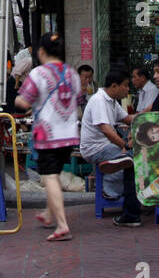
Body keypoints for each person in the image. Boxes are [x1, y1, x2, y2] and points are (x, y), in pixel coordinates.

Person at [15, 32, 81, 242]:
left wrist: (18, 100)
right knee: (53, 173)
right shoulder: (72, 73)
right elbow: (78, 99)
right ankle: (48, 213)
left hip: (48, 135)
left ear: (41, 52)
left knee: (50, 177)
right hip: (70, 135)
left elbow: (24, 103)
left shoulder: (38, 74)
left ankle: (62, 225)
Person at [79, 67, 145, 227]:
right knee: (130, 159)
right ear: (114, 86)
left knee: (134, 155)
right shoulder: (99, 100)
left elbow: (127, 119)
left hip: (106, 145)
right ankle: (111, 191)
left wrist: (147, 114)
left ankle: (124, 193)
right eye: (125, 85)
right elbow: (106, 130)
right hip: (95, 149)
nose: (128, 89)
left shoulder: (112, 102)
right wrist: (124, 146)